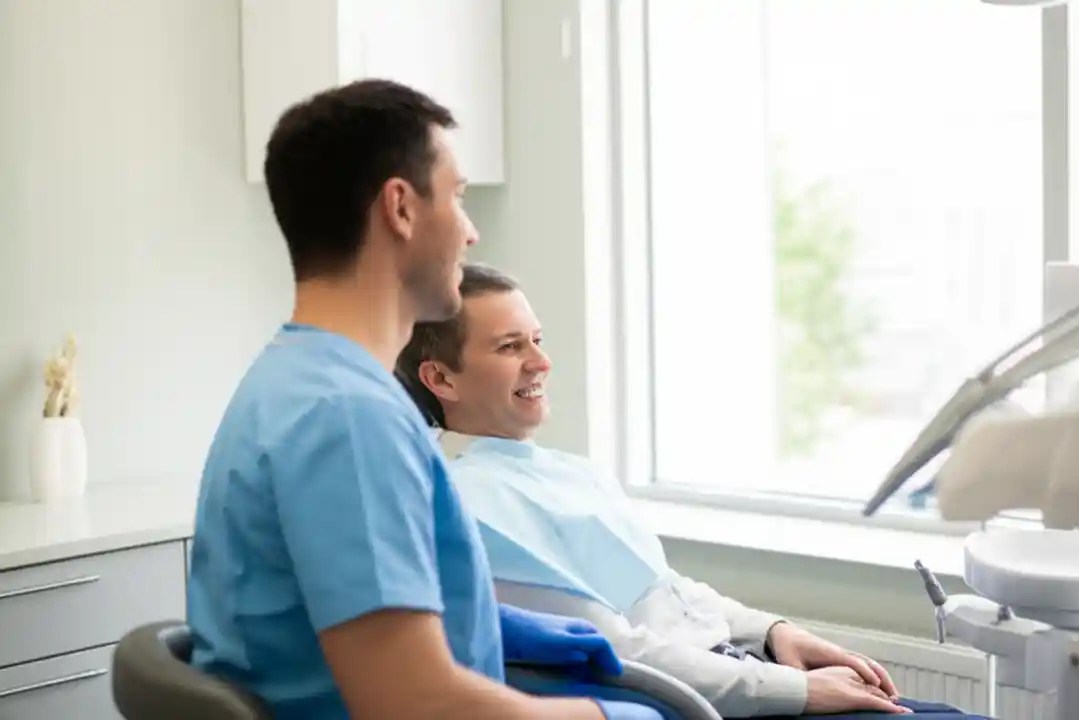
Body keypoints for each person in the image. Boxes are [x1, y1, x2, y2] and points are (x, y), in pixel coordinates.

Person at [186, 80, 660, 720]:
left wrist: (507, 627)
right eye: (459, 198)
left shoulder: (291, 379)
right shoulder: (349, 418)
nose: (470, 233)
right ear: (401, 208)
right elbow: (411, 704)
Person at [397, 263, 996, 720]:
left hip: (743, 670)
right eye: (510, 347)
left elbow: (667, 593)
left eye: (537, 338)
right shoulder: (466, 507)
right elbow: (619, 653)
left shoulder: (563, 472)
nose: (542, 361)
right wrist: (796, 691)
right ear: (441, 377)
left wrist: (775, 632)